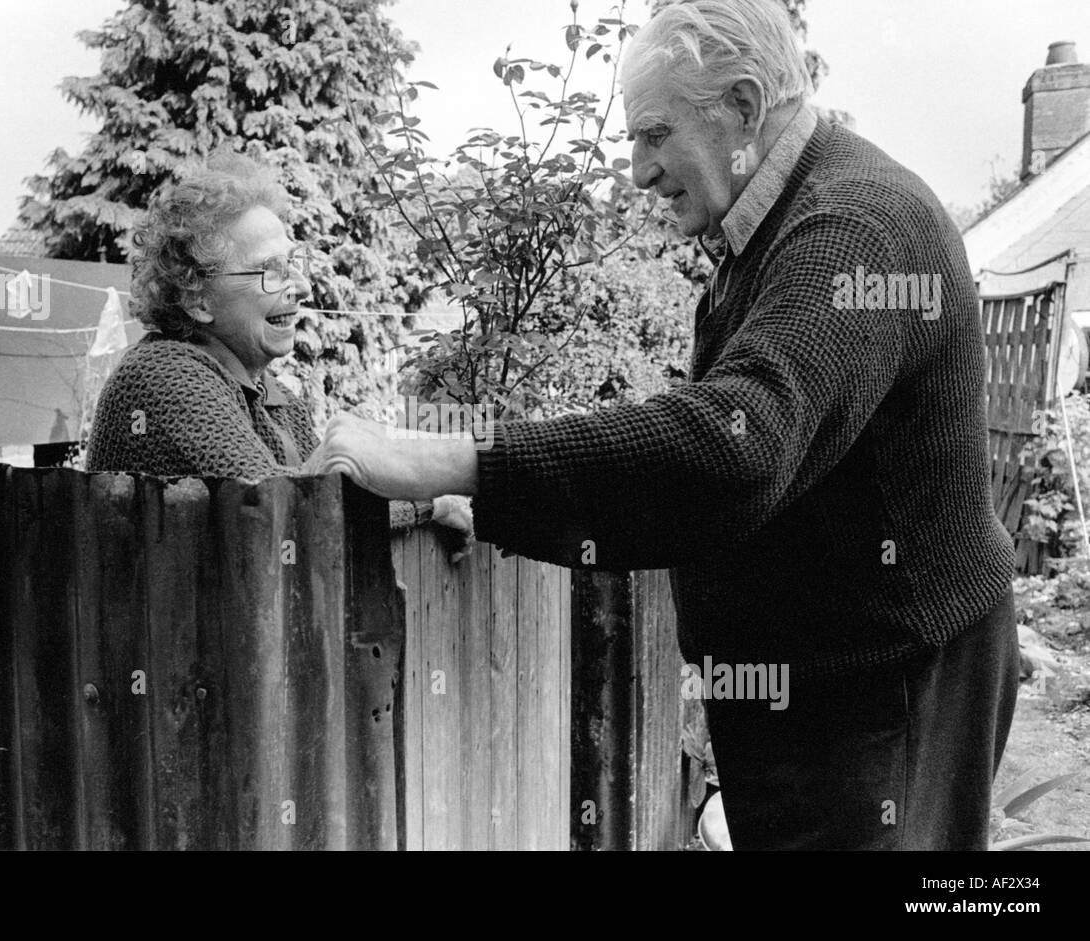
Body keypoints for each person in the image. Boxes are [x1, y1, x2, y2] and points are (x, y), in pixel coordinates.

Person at [306, 0, 1020, 850]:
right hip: (831, 688)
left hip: (881, 694)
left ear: (746, 108)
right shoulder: (777, 223)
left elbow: (733, 450)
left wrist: (445, 459)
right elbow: (721, 473)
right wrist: (497, 504)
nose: (638, 171)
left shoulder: (853, 228)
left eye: (654, 135)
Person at [86, 153, 473, 553]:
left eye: (293, 263)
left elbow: (331, 497)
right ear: (196, 296)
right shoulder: (162, 377)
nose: (303, 287)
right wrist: (433, 503)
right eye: (271, 270)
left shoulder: (275, 396)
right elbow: (288, 512)